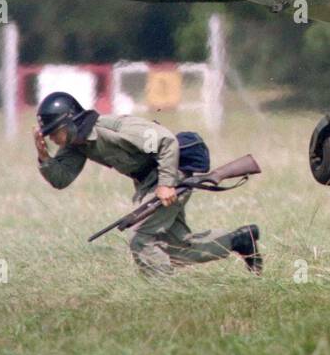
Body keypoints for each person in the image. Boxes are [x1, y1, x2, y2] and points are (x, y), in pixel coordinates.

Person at [33, 91, 261, 276]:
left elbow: (166, 141)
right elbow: (60, 180)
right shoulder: (77, 144)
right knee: (177, 249)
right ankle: (241, 240)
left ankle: (165, 295)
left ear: (71, 122)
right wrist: (44, 157)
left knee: (140, 238)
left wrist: (166, 184)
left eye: (55, 132)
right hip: (150, 184)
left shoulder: (113, 129)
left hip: (169, 174)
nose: (52, 138)